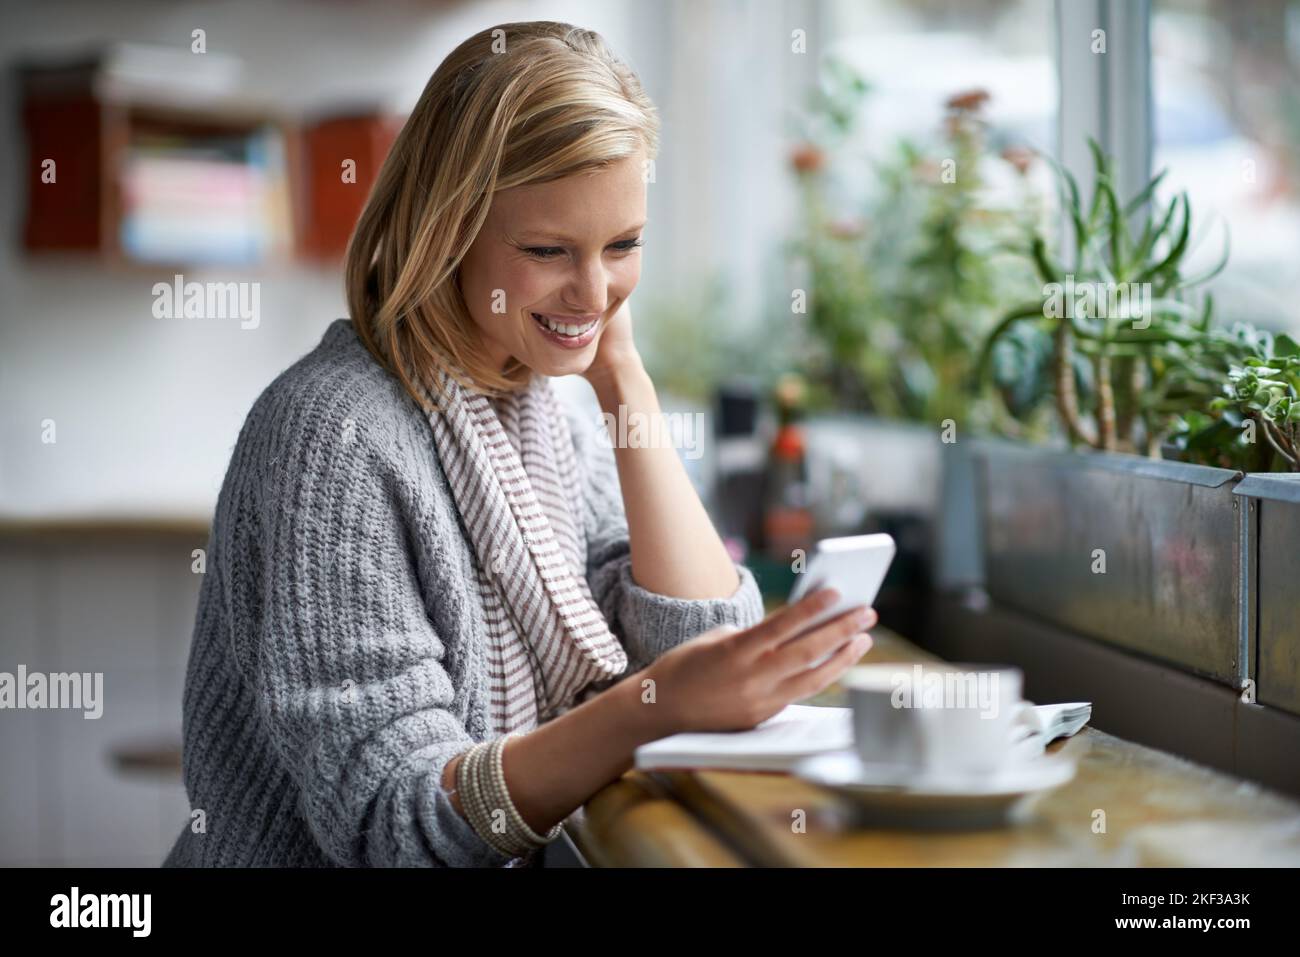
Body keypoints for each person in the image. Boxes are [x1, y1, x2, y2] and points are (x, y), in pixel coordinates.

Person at [163, 19, 876, 868]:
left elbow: (694, 650)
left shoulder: (549, 410)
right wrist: (650, 705)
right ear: (447, 227)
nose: (594, 288)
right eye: (548, 250)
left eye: (624, 245)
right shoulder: (333, 435)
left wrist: (624, 381)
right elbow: (397, 825)